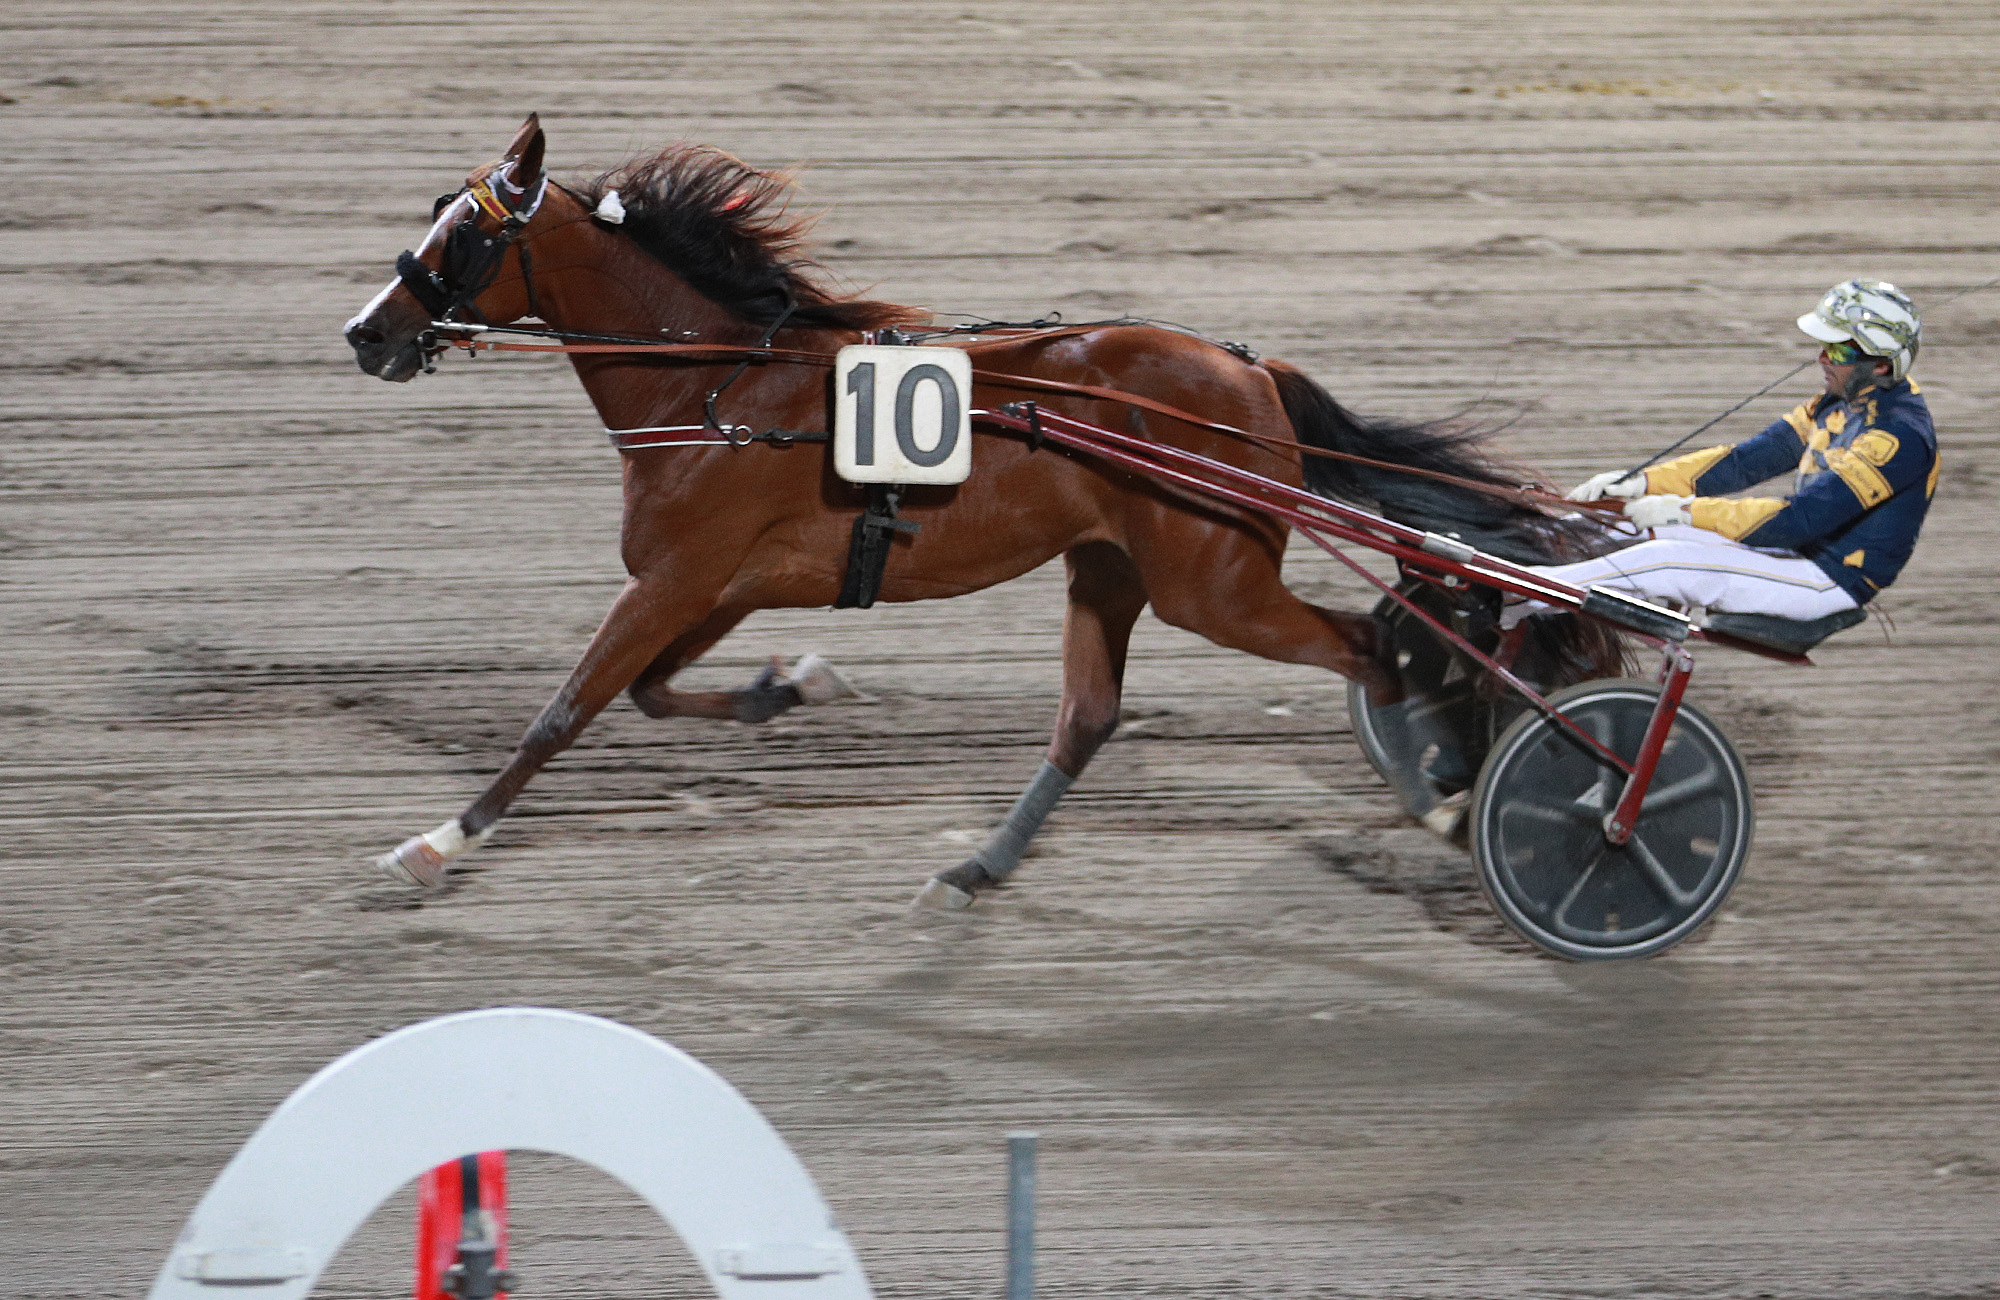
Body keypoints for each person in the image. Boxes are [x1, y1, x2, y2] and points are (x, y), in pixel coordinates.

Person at [1526, 279, 1937, 625]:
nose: (1822, 358)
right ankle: (1530, 552)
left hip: (1826, 579)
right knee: (1623, 524)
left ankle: (1525, 594)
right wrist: (1642, 484)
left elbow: (1798, 520)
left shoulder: (1898, 437)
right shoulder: (1838, 402)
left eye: (1840, 351)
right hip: (1788, 554)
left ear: (1881, 365)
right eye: (1824, 345)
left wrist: (1683, 511)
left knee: (1667, 559)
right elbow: (1745, 462)